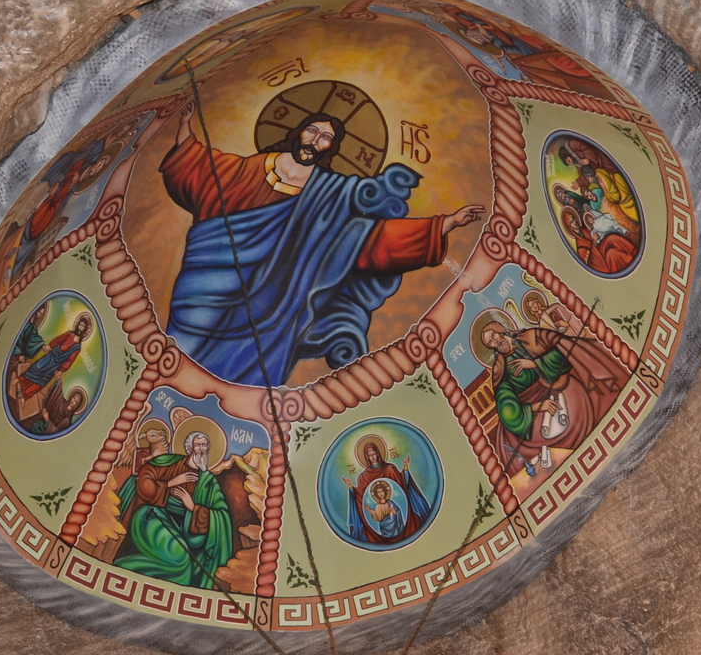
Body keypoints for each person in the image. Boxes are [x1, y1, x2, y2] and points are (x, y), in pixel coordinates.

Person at [160, 105, 485, 384]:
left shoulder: (331, 193)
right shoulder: (249, 168)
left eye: (325, 137)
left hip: (272, 311)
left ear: (331, 147)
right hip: (205, 284)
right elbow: (201, 172)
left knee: (244, 366)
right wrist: (185, 128)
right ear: (298, 132)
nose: (316, 140)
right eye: (312, 131)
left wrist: (444, 223)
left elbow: (367, 239)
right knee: (183, 351)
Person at [481, 321, 626, 477]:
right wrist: (535, 407)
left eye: (494, 335)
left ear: (501, 330)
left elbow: (563, 347)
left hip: (557, 384)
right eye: (490, 342)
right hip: (532, 405)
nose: (495, 342)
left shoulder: (529, 337)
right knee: (542, 436)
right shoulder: (500, 368)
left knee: (575, 406)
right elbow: (505, 403)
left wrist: (534, 363)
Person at [114, 429, 236, 589]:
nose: (201, 448)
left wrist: (193, 507)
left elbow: (221, 514)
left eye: (204, 445)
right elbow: (144, 480)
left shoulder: (208, 480)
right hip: (154, 516)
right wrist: (171, 482)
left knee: (186, 557)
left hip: (185, 527)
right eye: (197, 444)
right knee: (180, 556)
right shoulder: (169, 462)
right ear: (189, 447)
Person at [342, 437, 431, 545]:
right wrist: (350, 486)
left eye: (374, 453)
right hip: (381, 526)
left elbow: (402, 483)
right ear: (366, 457)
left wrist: (406, 468)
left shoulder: (389, 469)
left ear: (378, 453)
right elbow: (360, 496)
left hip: (398, 522)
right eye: (369, 455)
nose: (372, 457)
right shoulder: (363, 477)